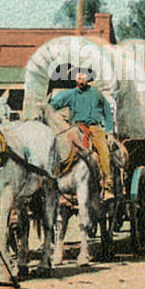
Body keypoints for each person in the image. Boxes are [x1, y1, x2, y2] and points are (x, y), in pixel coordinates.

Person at [50, 68, 115, 197]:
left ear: (87, 78)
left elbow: (106, 109)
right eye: (78, 77)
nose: (80, 79)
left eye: (83, 76)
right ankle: (60, 183)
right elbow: (53, 104)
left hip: (94, 128)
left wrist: (108, 129)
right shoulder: (70, 94)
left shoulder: (96, 93)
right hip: (77, 128)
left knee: (103, 151)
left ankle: (108, 184)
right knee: (63, 150)